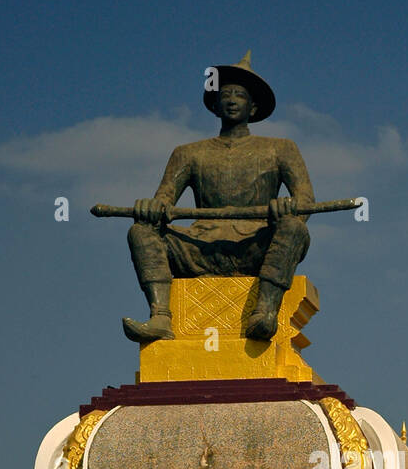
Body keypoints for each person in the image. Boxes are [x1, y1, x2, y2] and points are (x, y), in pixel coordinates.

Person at [123, 53, 314, 343]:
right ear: (214, 106)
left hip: (255, 246)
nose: (232, 100)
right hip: (201, 248)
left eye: (240, 95)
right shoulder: (187, 153)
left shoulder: (281, 148)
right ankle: (160, 315)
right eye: (225, 95)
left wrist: (289, 209)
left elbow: (306, 201)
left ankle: (264, 311)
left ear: (253, 107)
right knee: (141, 231)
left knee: (294, 228)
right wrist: (151, 209)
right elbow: (163, 201)